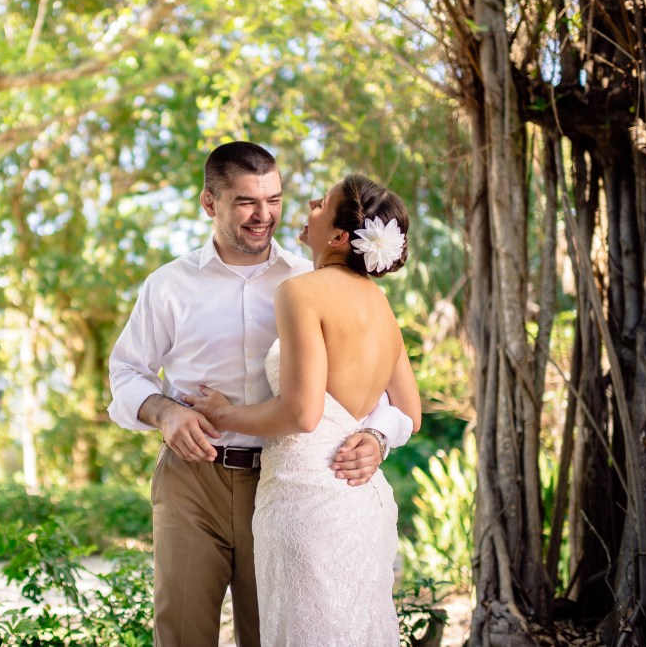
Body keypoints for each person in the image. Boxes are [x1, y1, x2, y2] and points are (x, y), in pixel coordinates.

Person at [107, 143, 415, 647]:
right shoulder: (168, 285)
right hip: (193, 482)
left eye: (273, 199)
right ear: (210, 203)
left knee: (271, 634)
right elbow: (125, 371)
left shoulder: (312, 280)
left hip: (288, 484)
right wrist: (163, 412)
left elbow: (365, 382)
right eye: (247, 202)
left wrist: (378, 437)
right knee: (182, 634)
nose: (264, 215)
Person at [181, 174, 422, 646]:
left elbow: (301, 414)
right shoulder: (379, 304)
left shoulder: (301, 292)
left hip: (306, 504)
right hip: (361, 504)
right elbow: (409, 411)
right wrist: (376, 437)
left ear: (338, 236)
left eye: (323, 202)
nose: (310, 202)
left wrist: (222, 414)